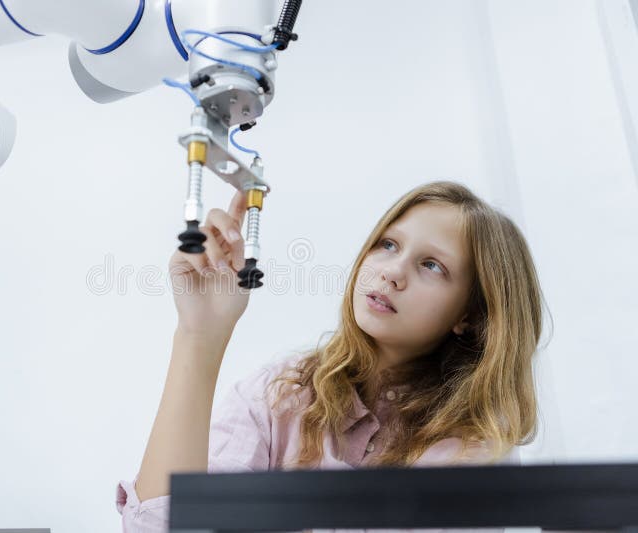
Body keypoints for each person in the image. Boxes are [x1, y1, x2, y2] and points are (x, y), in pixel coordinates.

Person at [117, 180, 548, 532]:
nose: (392, 272)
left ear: (470, 316)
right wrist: (200, 335)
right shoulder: (280, 393)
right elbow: (161, 527)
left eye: (431, 265)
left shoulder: (472, 450)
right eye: (388, 244)